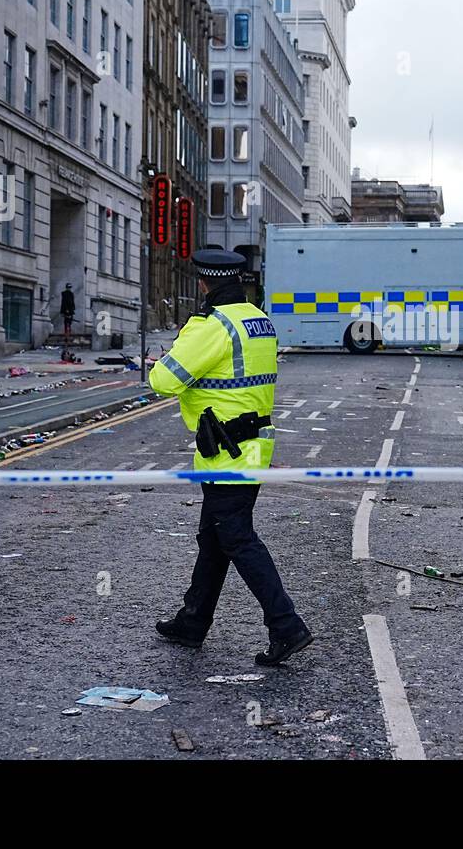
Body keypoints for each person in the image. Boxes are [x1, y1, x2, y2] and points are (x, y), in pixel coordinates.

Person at [149, 249, 312, 666]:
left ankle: (286, 624)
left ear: (203, 282)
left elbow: (163, 380)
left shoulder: (212, 326)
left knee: (236, 537)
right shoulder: (258, 319)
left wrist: (187, 334)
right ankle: (193, 621)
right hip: (251, 442)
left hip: (228, 452)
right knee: (215, 538)